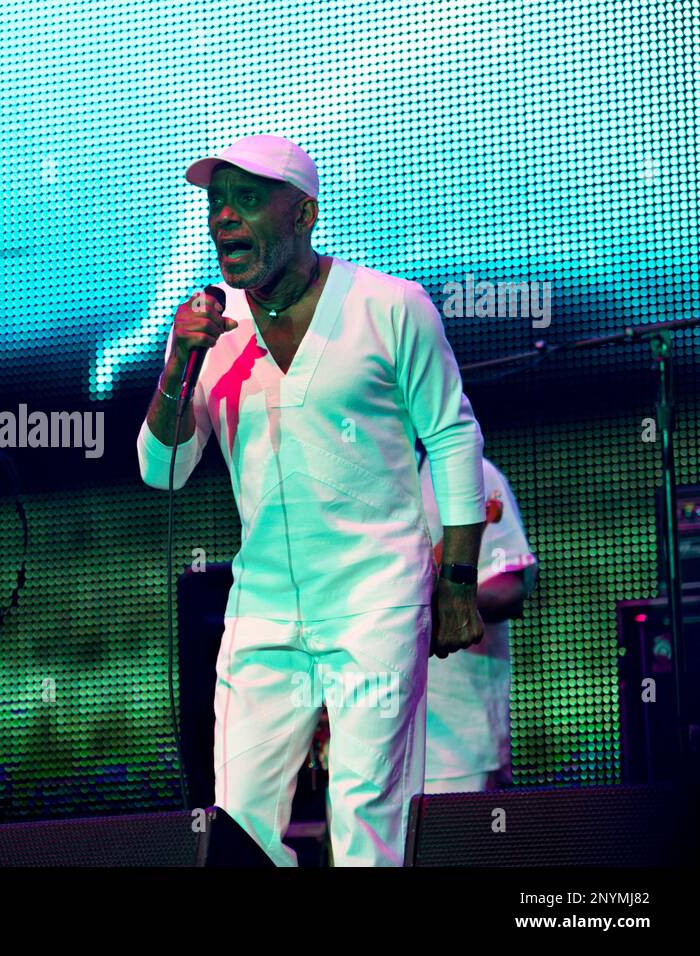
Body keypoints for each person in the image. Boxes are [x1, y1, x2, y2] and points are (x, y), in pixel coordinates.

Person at [137, 134, 486, 866]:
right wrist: (179, 362)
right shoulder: (212, 329)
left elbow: (453, 439)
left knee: (366, 822)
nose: (225, 218)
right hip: (261, 605)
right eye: (216, 202)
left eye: (248, 199)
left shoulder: (390, 306)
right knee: (235, 824)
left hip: (376, 600)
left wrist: (456, 583)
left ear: (303, 214)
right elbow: (162, 470)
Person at [417, 439, 538, 793]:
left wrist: (437, 600)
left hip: (456, 748)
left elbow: (511, 588)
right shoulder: (356, 487)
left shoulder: (469, 475)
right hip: (367, 736)